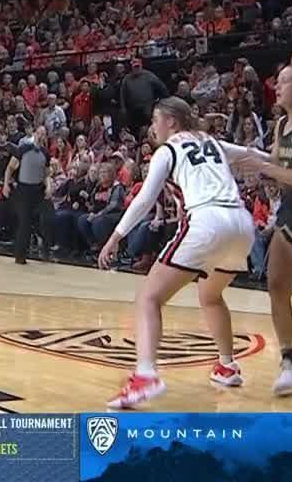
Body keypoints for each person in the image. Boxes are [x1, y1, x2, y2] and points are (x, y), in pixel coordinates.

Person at [98, 97, 261, 408]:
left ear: (171, 121)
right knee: (211, 296)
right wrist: (283, 161)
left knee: (149, 297)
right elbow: (253, 156)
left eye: (156, 120)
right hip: (241, 225)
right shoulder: (210, 141)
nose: (152, 127)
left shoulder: (169, 149)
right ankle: (227, 365)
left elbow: (146, 199)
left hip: (207, 222)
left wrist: (115, 237)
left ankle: (145, 376)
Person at [243, 64, 292, 395]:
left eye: (284, 81)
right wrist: (246, 161)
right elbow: (274, 165)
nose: (277, 85)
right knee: (277, 285)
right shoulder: (282, 124)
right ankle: (289, 364)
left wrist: (267, 167)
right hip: (291, 211)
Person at [3, 126, 52, 264]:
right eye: (39, 133)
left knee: (47, 218)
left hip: (38, 190)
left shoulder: (45, 153)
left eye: (44, 134)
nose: (41, 136)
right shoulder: (23, 149)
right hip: (24, 190)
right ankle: (20, 256)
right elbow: (10, 168)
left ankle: (46, 251)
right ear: (35, 134)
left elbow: (46, 174)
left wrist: (48, 186)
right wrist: (6, 185)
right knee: (25, 223)